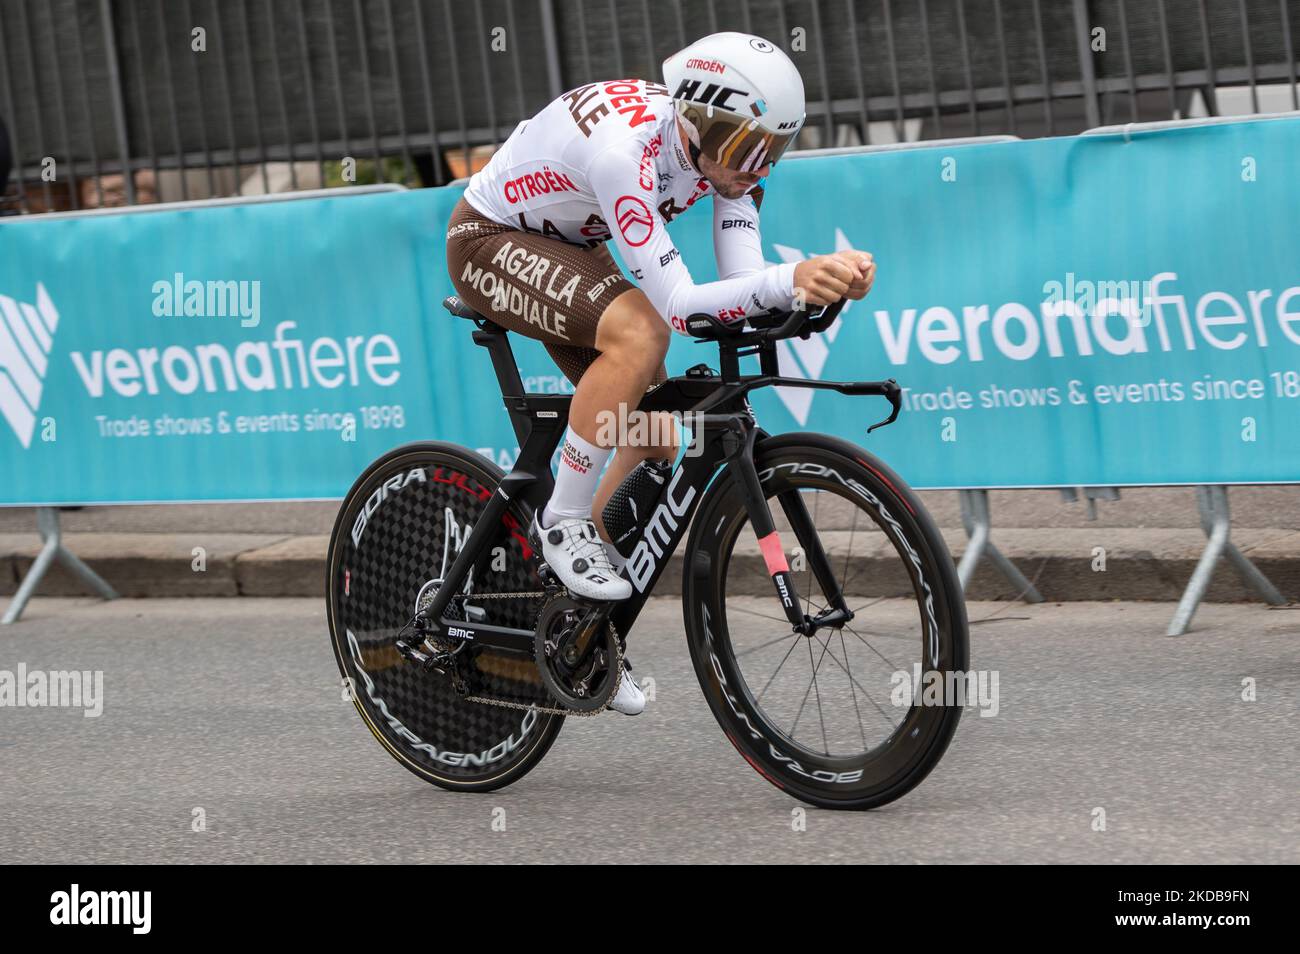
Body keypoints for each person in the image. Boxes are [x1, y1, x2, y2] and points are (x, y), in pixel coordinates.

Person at [445, 32, 876, 714]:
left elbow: (741, 283)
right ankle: (563, 521)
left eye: (774, 150)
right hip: (488, 242)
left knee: (651, 438)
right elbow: (678, 307)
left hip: (569, 246)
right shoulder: (628, 155)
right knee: (641, 332)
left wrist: (809, 287)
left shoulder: (727, 163)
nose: (757, 169)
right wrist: (786, 281)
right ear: (696, 118)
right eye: (745, 149)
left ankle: (576, 627)